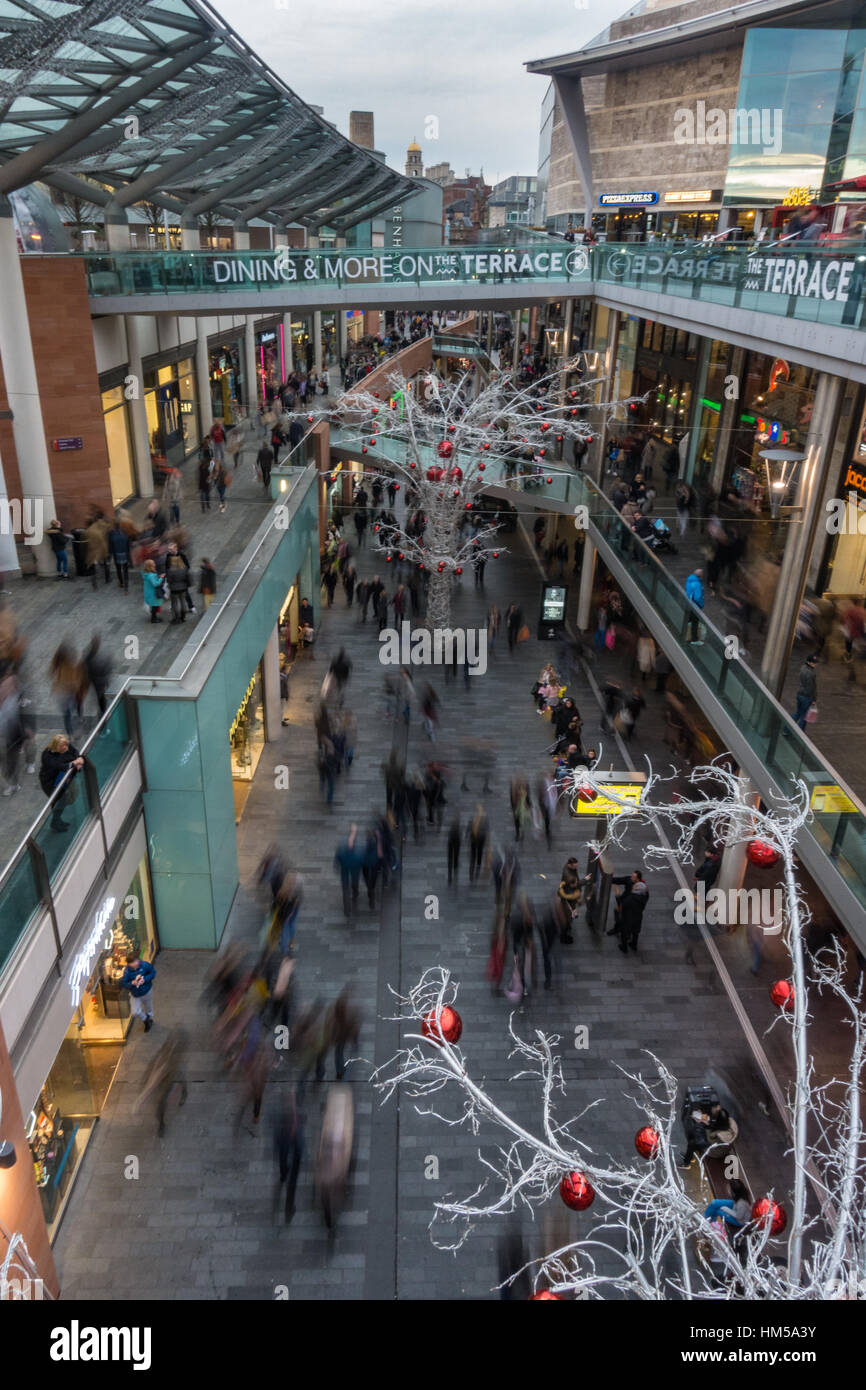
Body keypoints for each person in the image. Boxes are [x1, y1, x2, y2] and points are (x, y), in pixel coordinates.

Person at [272, 1088, 304, 1222]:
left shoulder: (279, 1113)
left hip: (282, 1143)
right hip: (293, 1146)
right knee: (293, 1180)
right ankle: (288, 1207)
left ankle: (283, 1173)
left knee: (283, 1160)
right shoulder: (291, 1111)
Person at [39, 733, 83, 830]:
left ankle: (56, 819)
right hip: (50, 782)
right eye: (62, 746)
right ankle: (55, 822)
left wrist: (78, 758)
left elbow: (74, 751)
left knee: (69, 797)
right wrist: (75, 763)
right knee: (59, 800)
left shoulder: (66, 746)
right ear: (56, 746)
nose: (65, 748)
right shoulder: (47, 755)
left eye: (65, 745)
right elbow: (59, 766)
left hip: (63, 778)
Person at [610, 870, 649, 953]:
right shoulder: (644, 894)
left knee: (624, 931)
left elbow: (623, 903)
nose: (634, 886)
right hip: (638, 916)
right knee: (635, 931)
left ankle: (624, 947)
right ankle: (633, 945)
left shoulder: (631, 898)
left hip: (628, 916)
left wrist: (617, 894)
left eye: (634, 877)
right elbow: (620, 880)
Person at [121, 951, 156, 1032]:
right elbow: (125, 983)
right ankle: (145, 1019)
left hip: (147, 991)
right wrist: (132, 983)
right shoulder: (127, 971)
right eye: (132, 963)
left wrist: (145, 979)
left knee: (149, 1008)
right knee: (135, 1011)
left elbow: (153, 973)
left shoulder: (145, 965)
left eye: (135, 961)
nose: (134, 964)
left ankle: (150, 1020)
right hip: (135, 994)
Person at [83, 635, 112, 717]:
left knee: (101, 696)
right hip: (98, 681)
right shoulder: (91, 656)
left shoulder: (88, 654)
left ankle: (103, 710)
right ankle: (104, 712)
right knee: (101, 696)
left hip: (97, 681)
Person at [794, 653, 817, 730]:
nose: (815, 664)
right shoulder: (811, 674)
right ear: (808, 662)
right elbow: (811, 688)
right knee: (804, 716)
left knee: (798, 713)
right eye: (813, 662)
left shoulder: (803, 668)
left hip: (800, 693)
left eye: (815, 662)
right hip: (806, 697)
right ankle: (800, 734)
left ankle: (786, 730)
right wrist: (814, 699)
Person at [107, 516, 130, 591]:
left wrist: (109, 555)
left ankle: (121, 582)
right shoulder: (125, 531)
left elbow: (110, 545)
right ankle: (126, 585)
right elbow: (128, 543)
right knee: (125, 569)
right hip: (124, 553)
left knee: (118, 569)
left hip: (116, 554)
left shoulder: (111, 533)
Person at [685, 567, 705, 643]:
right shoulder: (697, 584)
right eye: (702, 575)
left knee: (688, 619)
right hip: (695, 605)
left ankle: (685, 634)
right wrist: (701, 604)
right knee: (695, 622)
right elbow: (697, 597)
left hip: (689, 603)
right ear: (700, 576)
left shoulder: (689, 580)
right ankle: (694, 639)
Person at [142, 559, 164, 623]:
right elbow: (155, 584)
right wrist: (161, 578)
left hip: (148, 592)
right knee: (155, 605)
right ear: (150, 566)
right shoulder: (151, 575)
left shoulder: (145, 573)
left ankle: (154, 617)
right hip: (153, 593)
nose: (155, 564)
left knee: (154, 605)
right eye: (153, 563)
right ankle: (154, 619)